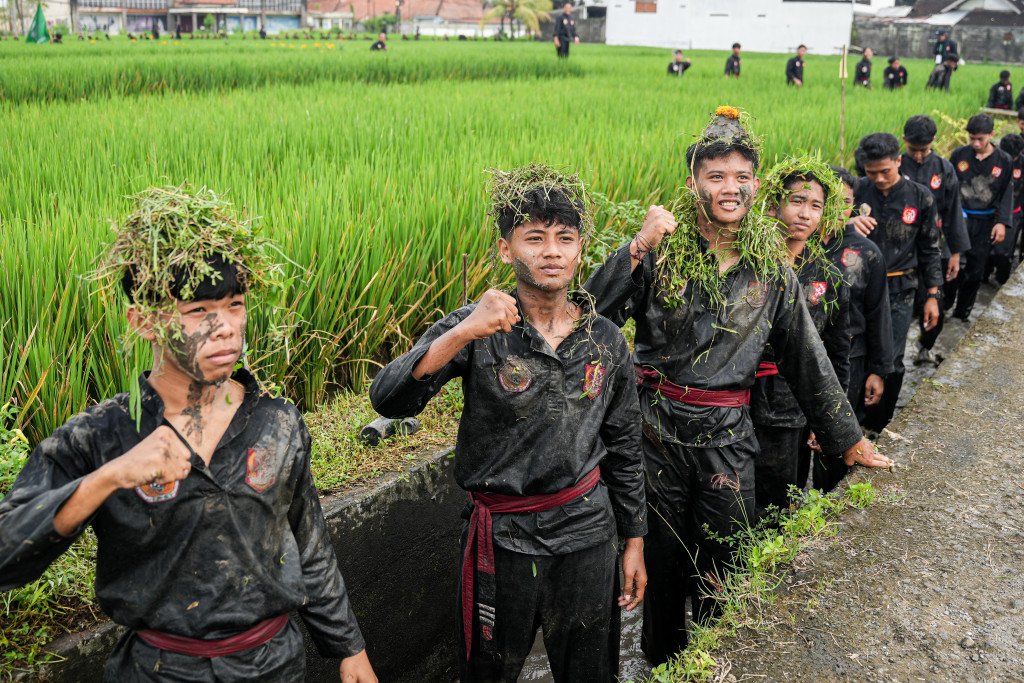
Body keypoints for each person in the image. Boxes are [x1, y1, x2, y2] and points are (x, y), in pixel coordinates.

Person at [0, 187, 377, 682]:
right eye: (199, 311)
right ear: (144, 322)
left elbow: (308, 542)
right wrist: (107, 478)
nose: (225, 327)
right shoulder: (101, 437)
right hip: (159, 669)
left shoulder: (277, 421)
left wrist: (349, 647)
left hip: (274, 664)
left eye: (235, 304)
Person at [584, 106, 892, 665]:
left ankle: (716, 666)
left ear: (757, 183)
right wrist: (637, 245)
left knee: (726, 569)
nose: (731, 188)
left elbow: (807, 357)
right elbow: (585, 319)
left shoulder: (773, 270)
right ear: (692, 182)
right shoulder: (663, 254)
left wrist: (849, 438)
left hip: (729, 441)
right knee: (662, 570)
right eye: (716, 175)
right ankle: (663, 666)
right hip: (657, 440)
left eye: (743, 176)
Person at [370, 166, 648, 682]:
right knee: (488, 673)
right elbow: (389, 399)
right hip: (501, 539)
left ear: (581, 250)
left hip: (586, 534)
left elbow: (625, 447)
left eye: (565, 238)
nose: (552, 251)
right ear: (505, 250)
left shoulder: (605, 340)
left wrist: (633, 542)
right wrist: (464, 332)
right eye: (535, 237)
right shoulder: (479, 326)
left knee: (590, 672)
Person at [750, 159, 850, 518]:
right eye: (796, 201)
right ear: (774, 204)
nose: (805, 213)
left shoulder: (829, 276)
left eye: (816, 205)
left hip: (791, 406)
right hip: (736, 399)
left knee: (777, 500)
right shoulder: (746, 261)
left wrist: (829, 423)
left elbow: (837, 354)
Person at [851, 133, 943, 432]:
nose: (878, 178)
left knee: (891, 358)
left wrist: (932, 295)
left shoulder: (921, 197)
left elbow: (930, 249)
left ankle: (880, 423)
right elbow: (822, 228)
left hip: (900, 290)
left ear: (899, 161)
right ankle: (852, 420)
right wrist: (846, 221)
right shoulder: (855, 193)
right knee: (855, 353)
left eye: (885, 171)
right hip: (857, 289)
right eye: (871, 172)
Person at [821, 167, 893, 489]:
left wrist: (878, 370)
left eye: (845, 202)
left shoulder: (866, 252)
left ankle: (826, 507)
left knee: (838, 442)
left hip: (851, 358)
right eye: (828, 200)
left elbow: (879, 315)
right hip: (797, 360)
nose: (837, 209)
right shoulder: (791, 246)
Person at [899, 115, 970, 366]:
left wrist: (955, 253)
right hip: (900, 250)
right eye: (913, 150)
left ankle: (925, 346)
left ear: (933, 142)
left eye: (924, 150)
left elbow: (952, 212)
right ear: (904, 140)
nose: (918, 156)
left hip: (933, 249)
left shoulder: (943, 168)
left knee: (935, 303)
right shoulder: (895, 167)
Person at [947, 114, 1012, 321]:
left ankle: (962, 313)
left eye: (980, 139)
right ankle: (944, 305)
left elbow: (1006, 193)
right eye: (972, 138)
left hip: (984, 222)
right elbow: (948, 188)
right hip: (959, 219)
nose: (975, 143)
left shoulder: (1003, 160)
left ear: (991, 135)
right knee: (952, 264)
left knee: (975, 268)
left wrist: (1001, 222)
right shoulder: (959, 155)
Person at [988, 133, 1024, 284]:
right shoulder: (993, 161)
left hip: (1013, 213)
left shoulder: (1022, 164)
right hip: (990, 213)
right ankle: (984, 276)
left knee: (1004, 252)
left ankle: (1002, 279)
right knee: (986, 251)